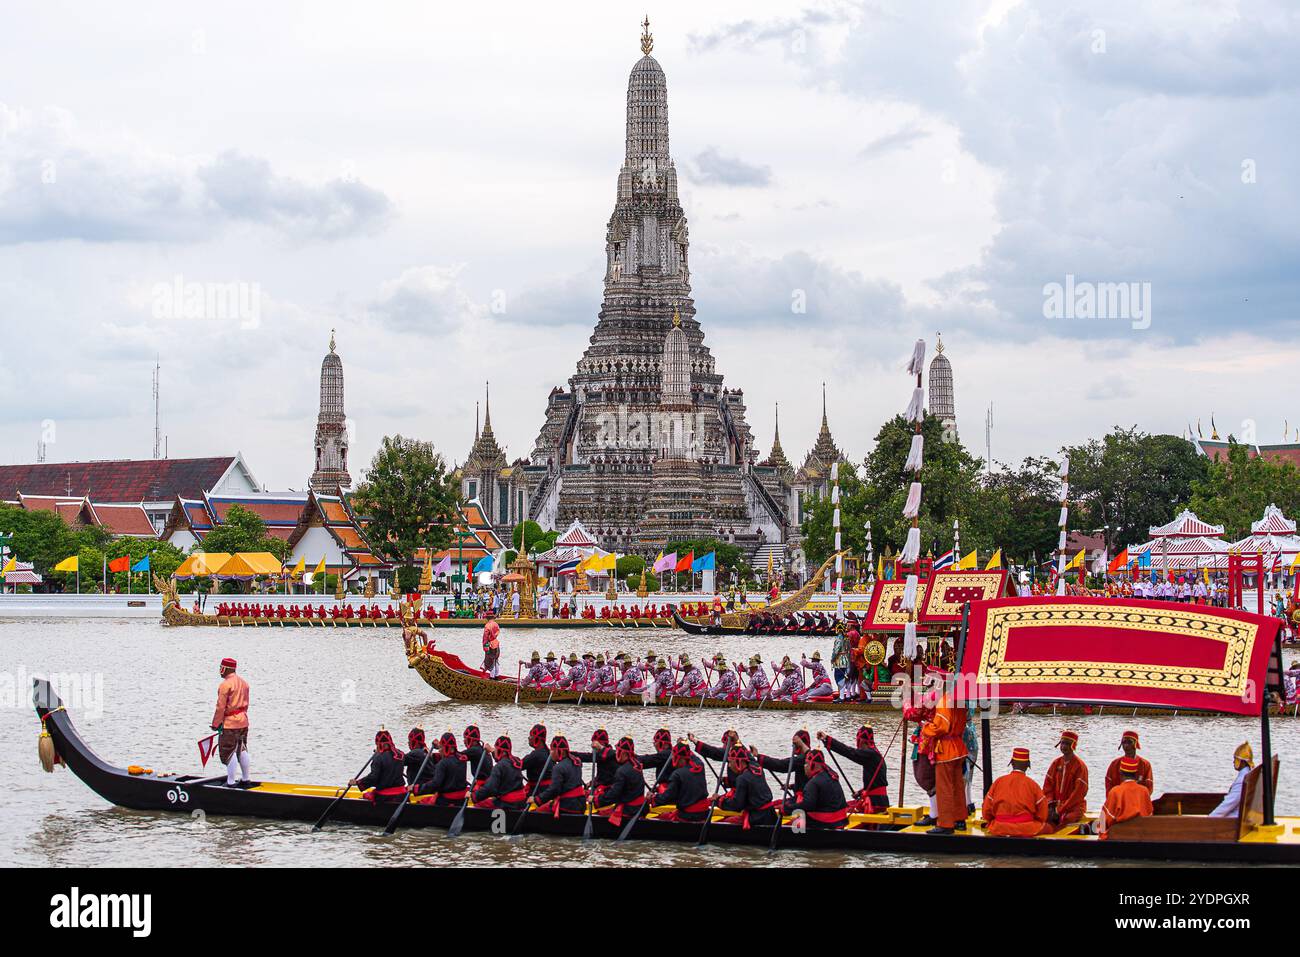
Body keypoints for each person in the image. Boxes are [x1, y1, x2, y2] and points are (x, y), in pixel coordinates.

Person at [919, 676, 969, 834]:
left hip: (946, 749)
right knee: (958, 785)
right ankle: (960, 819)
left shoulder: (944, 701)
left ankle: (946, 824)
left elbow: (940, 727)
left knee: (944, 787)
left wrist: (925, 727)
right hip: (958, 747)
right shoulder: (958, 700)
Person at [980, 747, 1051, 836]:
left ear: (1012, 763)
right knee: (1049, 827)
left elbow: (986, 811)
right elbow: (1043, 814)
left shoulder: (998, 782)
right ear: (1028, 765)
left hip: (999, 827)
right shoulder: (1033, 785)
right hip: (1026, 828)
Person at [818, 726, 888, 812]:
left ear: (861, 740)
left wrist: (828, 740)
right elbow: (876, 784)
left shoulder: (871, 754)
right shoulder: (875, 754)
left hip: (876, 802)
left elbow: (849, 752)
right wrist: (860, 792)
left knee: (840, 810)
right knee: (845, 805)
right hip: (879, 800)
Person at [211, 656, 251, 787]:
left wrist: (216, 724)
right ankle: (245, 779)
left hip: (230, 723)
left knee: (229, 751)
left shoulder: (225, 685)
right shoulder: (244, 683)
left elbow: (220, 707)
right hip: (243, 721)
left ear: (226, 669)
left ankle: (230, 782)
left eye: (221, 668)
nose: (220, 671)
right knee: (242, 749)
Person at [715, 746, 778, 828]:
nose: (729, 766)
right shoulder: (758, 768)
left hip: (757, 818)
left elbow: (737, 806)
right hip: (771, 814)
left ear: (739, 762)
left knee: (726, 822)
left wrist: (718, 800)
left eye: (730, 762)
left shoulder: (742, 778)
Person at [651, 739, 711, 823]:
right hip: (705, 813)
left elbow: (667, 797)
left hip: (687, 816)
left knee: (661, 817)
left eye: (674, 757)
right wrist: (683, 745)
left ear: (678, 758)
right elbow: (693, 756)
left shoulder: (677, 774)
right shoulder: (700, 764)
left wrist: (652, 798)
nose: (673, 760)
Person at [788, 749, 848, 828]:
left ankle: (796, 838)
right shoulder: (832, 775)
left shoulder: (813, 783)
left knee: (797, 818)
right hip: (841, 820)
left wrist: (787, 809)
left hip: (827, 822)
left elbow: (807, 806)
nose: (804, 767)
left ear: (813, 765)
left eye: (806, 764)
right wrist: (793, 786)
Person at [1099, 757, 1154, 839]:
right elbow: (1149, 815)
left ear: (1120, 772)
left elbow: (1105, 818)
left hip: (1119, 837)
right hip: (1140, 836)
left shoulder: (1115, 791)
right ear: (1135, 773)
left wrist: (1101, 836)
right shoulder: (1144, 791)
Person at [1041, 730, 1088, 826]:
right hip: (1055, 805)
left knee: (1066, 818)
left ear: (1073, 745)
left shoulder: (1079, 766)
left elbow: (1078, 793)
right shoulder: (1056, 763)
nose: (1064, 746)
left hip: (1074, 807)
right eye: (1062, 743)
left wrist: (1060, 810)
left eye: (1067, 744)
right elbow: (1047, 787)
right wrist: (1050, 805)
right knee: (1042, 816)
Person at [534, 735, 588, 817]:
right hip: (581, 803)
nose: (550, 753)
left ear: (561, 752)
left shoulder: (558, 767)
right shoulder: (577, 761)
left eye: (552, 750)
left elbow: (554, 790)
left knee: (538, 810)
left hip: (568, 805)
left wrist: (537, 800)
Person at [599, 736, 648, 827]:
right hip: (640, 808)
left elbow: (613, 795)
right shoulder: (637, 765)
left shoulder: (622, 771)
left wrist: (596, 800)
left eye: (617, 750)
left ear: (622, 753)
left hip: (629, 811)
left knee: (601, 812)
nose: (616, 752)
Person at [473, 736, 529, 811]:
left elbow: (490, 788)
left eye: (495, 749)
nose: (494, 750)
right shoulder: (516, 761)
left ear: (501, 751)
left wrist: (474, 796)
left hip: (508, 803)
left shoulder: (499, 766)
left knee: (478, 805)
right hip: (521, 801)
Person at [352, 729, 407, 802]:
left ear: (377, 743)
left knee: (366, 795)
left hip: (385, 797)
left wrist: (357, 782)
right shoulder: (401, 754)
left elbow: (373, 778)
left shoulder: (378, 757)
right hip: (402, 795)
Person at [417, 732, 470, 805]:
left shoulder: (442, 764)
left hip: (447, 801)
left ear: (447, 748)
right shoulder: (462, 759)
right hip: (462, 800)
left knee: (420, 802)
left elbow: (435, 784)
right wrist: (438, 747)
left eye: (441, 747)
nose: (439, 750)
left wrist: (416, 788)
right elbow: (453, 755)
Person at [1209, 742, 1255, 818]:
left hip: (1234, 819)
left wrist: (1210, 819)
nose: (1233, 762)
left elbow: (1229, 804)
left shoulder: (1242, 780)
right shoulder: (1247, 774)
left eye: (1236, 759)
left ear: (1242, 762)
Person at [521, 723, 551, 792]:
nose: (528, 738)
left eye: (531, 736)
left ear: (537, 739)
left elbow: (517, 766)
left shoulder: (536, 755)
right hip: (547, 789)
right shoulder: (548, 752)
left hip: (537, 791)